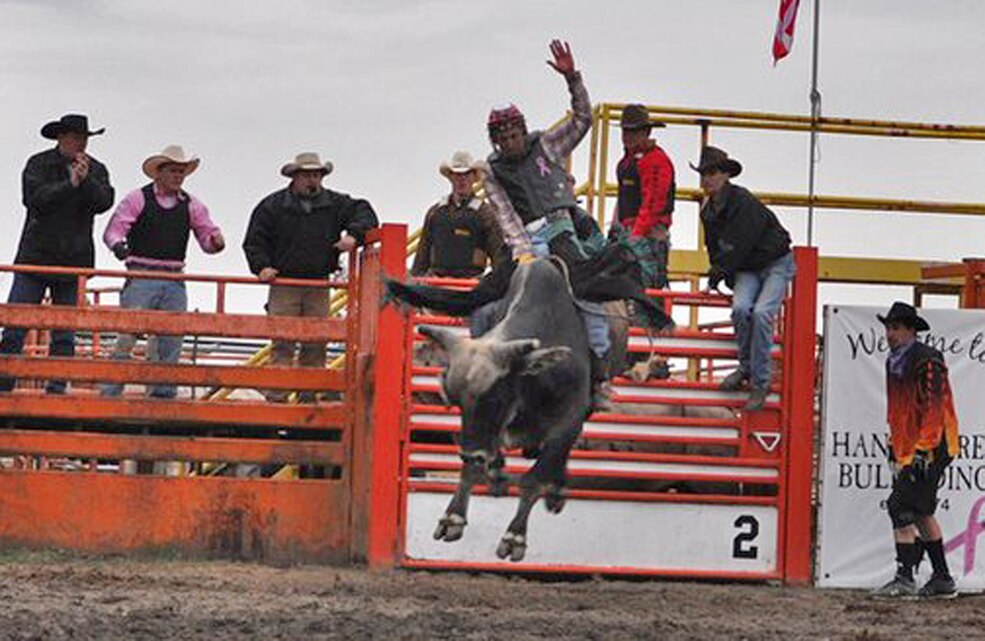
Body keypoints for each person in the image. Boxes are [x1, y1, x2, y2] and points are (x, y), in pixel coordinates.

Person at [481, 39, 612, 410]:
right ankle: (497, 367)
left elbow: (584, 118)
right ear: (496, 140)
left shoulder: (547, 144)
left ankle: (599, 370)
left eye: (514, 133)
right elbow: (506, 214)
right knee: (506, 298)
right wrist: (524, 253)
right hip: (533, 236)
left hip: (568, 223)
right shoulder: (491, 171)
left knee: (589, 290)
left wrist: (573, 77)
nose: (510, 141)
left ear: (523, 130)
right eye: (503, 137)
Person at [243, 152, 378, 402]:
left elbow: (365, 212)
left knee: (316, 343)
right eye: (307, 175)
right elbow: (254, 241)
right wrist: (261, 267)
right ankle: (279, 397)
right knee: (283, 342)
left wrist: (354, 235)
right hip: (285, 282)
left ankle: (308, 397)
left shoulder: (331, 204)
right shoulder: (273, 206)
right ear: (295, 177)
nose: (312, 180)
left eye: (315, 175)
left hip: (317, 281)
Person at [0, 114, 114, 394]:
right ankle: (3, 386)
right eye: (76, 137)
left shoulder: (96, 169)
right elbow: (34, 199)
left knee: (65, 333)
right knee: (15, 327)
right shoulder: (39, 164)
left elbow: (104, 201)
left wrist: (83, 181)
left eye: (84, 138)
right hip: (35, 259)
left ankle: (57, 387)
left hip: (72, 262)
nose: (81, 143)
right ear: (61, 137)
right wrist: (70, 185)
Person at [101, 145, 225, 398]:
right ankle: (111, 392)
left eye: (181, 171)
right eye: (173, 171)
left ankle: (161, 394)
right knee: (127, 337)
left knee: (171, 341)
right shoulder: (138, 198)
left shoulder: (191, 204)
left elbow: (207, 235)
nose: (178, 176)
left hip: (172, 278)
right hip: (142, 274)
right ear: (159, 173)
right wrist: (118, 246)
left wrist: (215, 241)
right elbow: (114, 231)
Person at [871, 302, 960, 599]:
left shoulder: (928, 361)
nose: (890, 334)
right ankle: (941, 578)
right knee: (920, 511)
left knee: (899, 505)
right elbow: (897, 410)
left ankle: (906, 576)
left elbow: (934, 409)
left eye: (895, 328)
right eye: (888, 328)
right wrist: (896, 446)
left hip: (932, 446)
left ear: (911, 330)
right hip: (913, 446)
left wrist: (922, 451)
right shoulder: (895, 361)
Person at [696, 146, 794, 411]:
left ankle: (759, 380)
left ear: (725, 175)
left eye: (711, 173)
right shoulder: (710, 212)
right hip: (750, 265)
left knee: (762, 313)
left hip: (773, 262)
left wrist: (719, 273)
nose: (706, 179)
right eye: (704, 173)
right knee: (742, 309)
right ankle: (748, 368)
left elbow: (739, 245)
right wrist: (720, 269)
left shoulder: (742, 202)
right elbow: (719, 249)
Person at [610, 103, 675, 290]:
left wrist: (635, 236)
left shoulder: (654, 160)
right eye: (625, 131)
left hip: (648, 236)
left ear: (646, 132)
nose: (627, 136)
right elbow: (623, 198)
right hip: (630, 233)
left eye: (633, 131)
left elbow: (653, 205)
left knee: (644, 289)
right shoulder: (627, 161)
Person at [411, 151, 506, 279]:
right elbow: (422, 256)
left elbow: (498, 254)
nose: (462, 179)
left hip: (471, 286)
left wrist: (501, 282)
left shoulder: (485, 214)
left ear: (473, 177)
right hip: (436, 284)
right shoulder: (435, 212)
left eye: (466, 174)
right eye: (457, 175)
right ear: (450, 177)